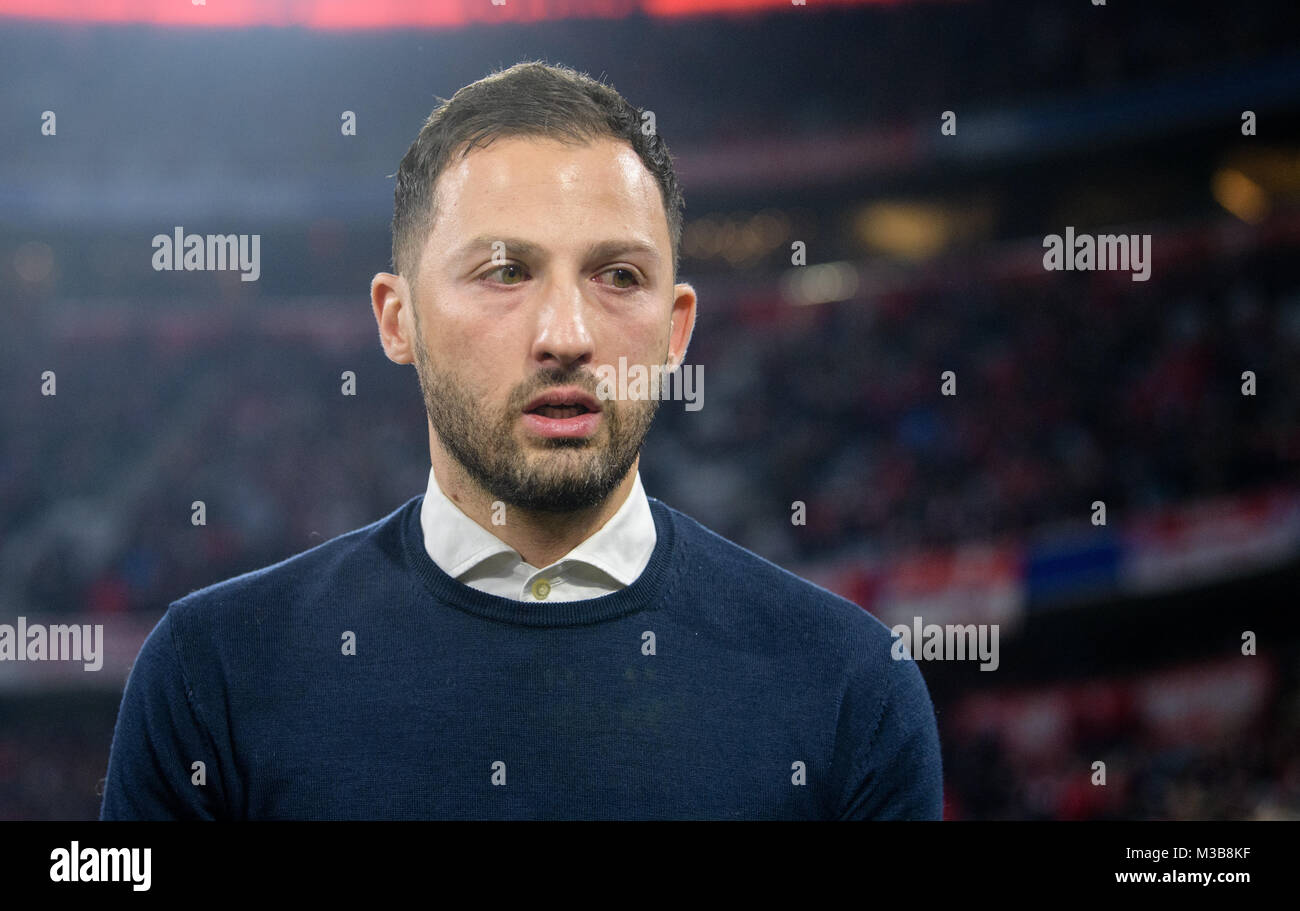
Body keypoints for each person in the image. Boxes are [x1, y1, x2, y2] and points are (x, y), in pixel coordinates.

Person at [100, 61, 942, 819]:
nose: (566, 334)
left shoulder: (852, 689)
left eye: (619, 275)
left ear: (677, 329)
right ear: (400, 319)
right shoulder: (209, 673)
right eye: (505, 270)